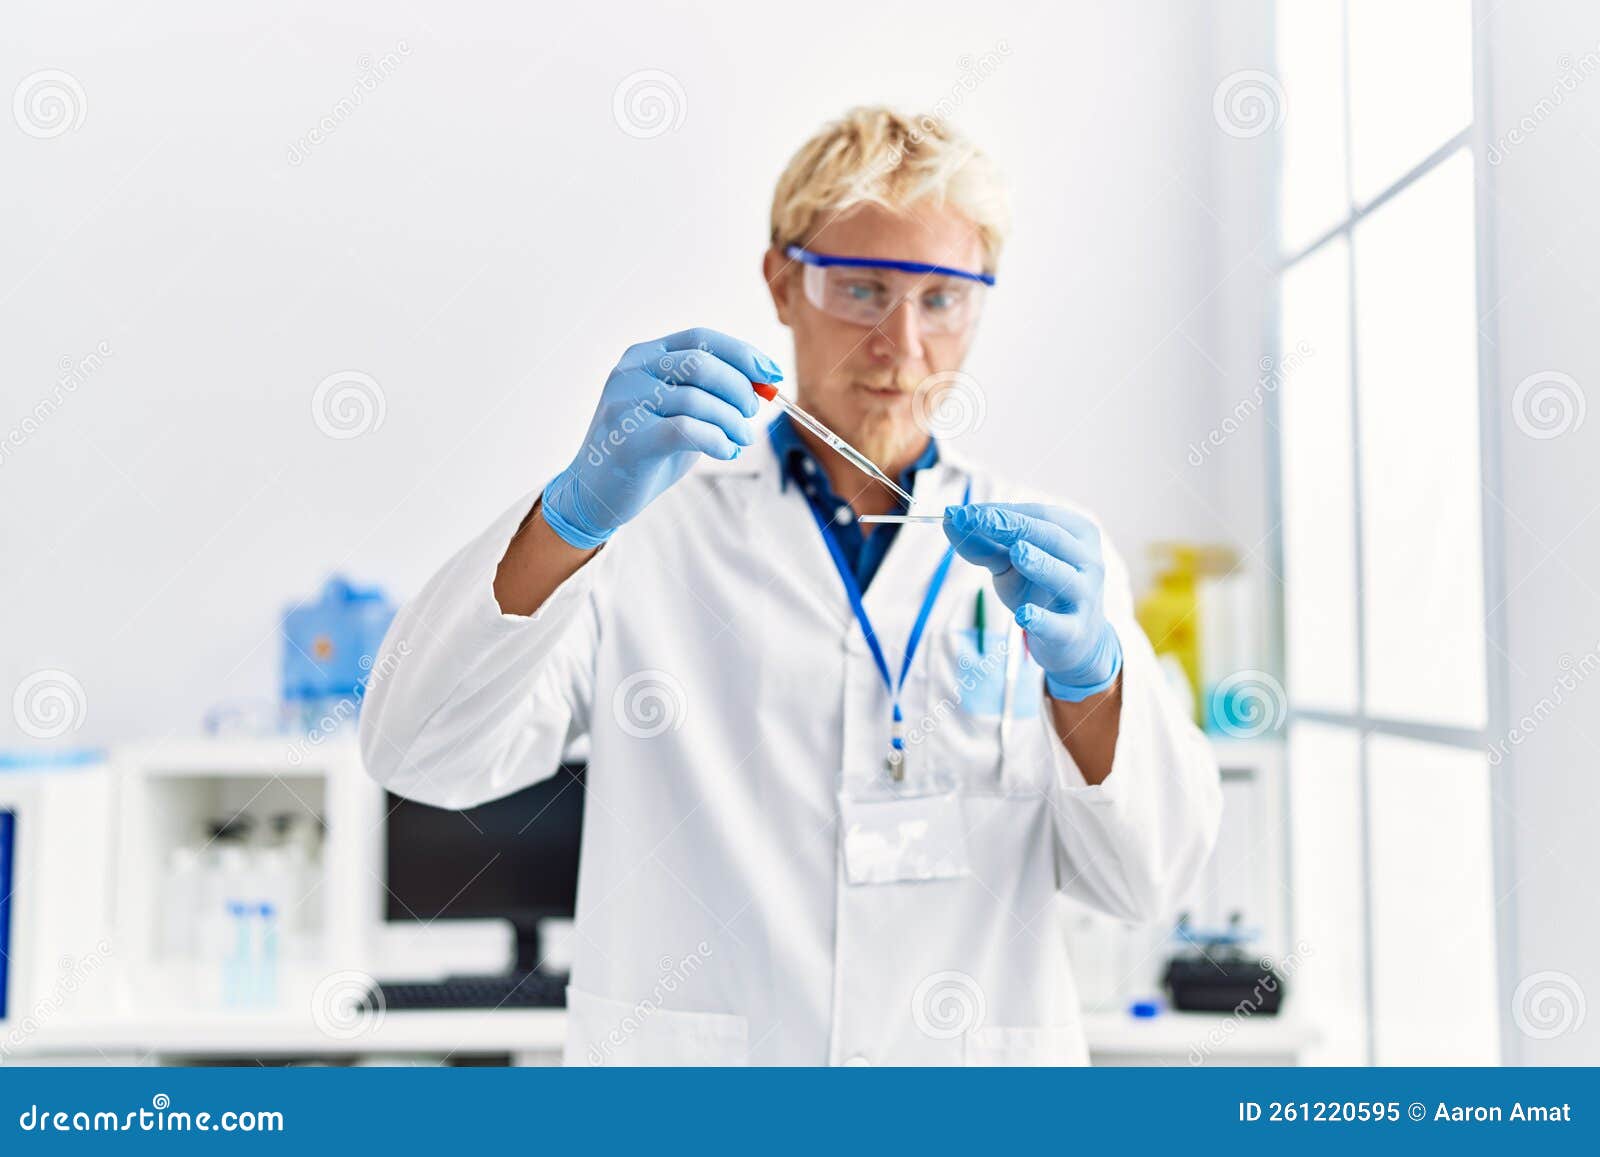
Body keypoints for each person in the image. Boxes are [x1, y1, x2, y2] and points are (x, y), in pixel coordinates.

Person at [360, 106, 1221, 1066]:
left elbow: (1148, 881)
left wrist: (1092, 681)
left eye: (943, 299)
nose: (902, 346)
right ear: (782, 281)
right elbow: (419, 751)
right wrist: (571, 517)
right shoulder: (649, 530)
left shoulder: (1053, 556)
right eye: (861, 289)